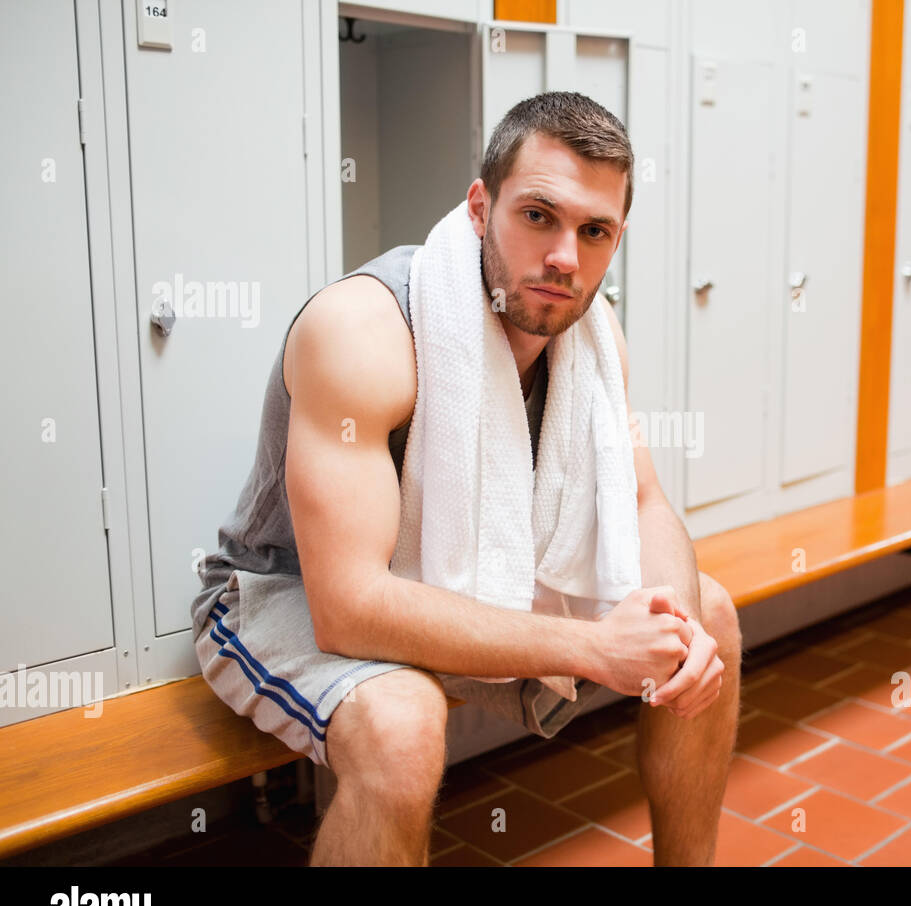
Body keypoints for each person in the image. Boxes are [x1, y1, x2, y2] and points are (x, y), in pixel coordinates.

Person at [190, 91, 742, 866]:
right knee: (402, 723)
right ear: (481, 207)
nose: (564, 258)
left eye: (595, 232)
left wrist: (673, 630)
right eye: (538, 216)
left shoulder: (593, 332)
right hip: (286, 591)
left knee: (705, 615)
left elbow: (645, 498)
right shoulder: (362, 333)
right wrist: (593, 649)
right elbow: (348, 608)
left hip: (470, 571)